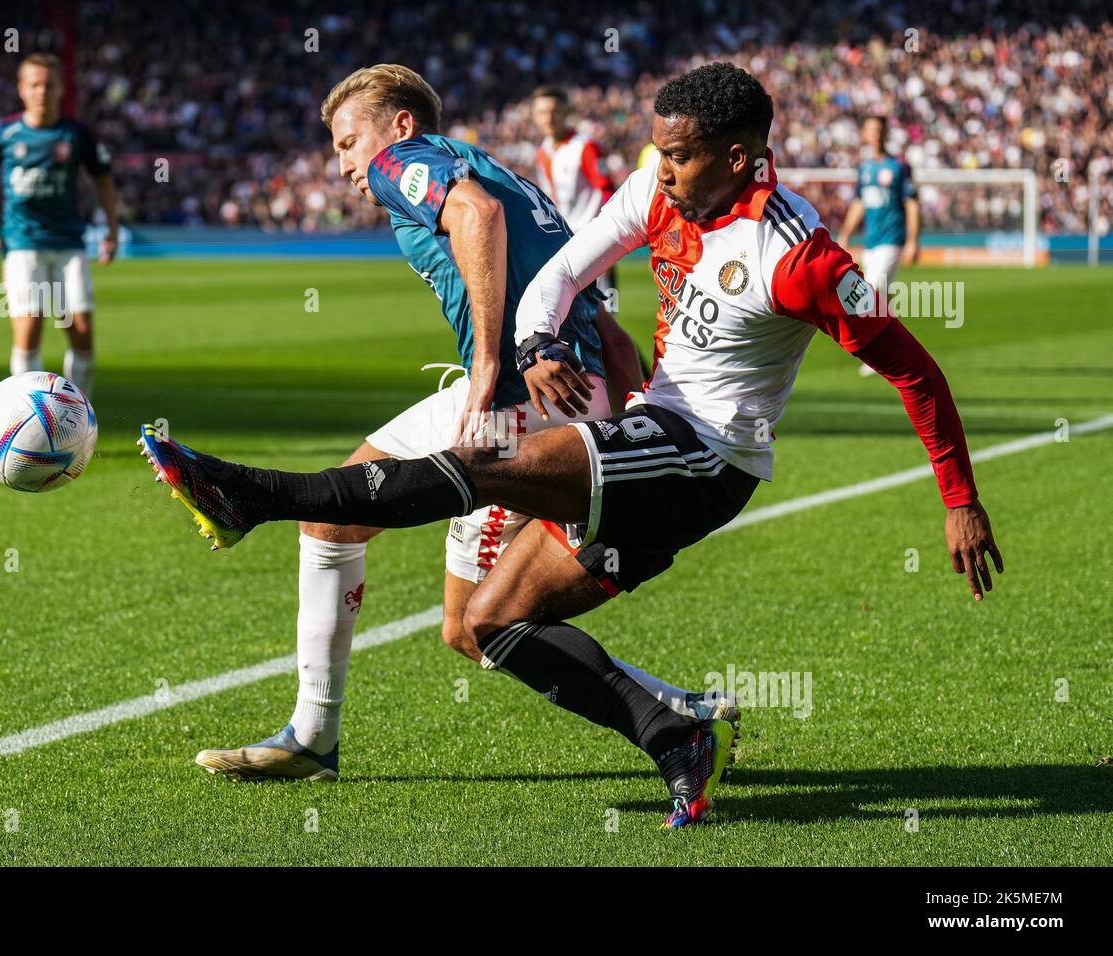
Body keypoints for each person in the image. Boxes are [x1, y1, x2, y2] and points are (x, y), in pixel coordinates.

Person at [137, 63, 1002, 829]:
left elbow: (918, 373)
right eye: (657, 151)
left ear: (738, 157)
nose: (661, 170)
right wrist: (539, 344)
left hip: (706, 456)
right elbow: (563, 276)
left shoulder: (801, 257)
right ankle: (680, 736)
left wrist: (960, 501)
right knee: (490, 626)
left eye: (682, 156)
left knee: (479, 468)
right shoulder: (657, 192)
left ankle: (255, 494)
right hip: (644, 430)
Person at [175, 64, 735, 787]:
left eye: (349, 141)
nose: (344, 164)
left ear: (401, 126)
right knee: (467, 626)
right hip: (571, 397)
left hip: (518, 405)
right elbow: (612, 335)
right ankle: (687, 710)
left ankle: (312, 730)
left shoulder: (405, 164)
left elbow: (474, 216)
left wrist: (486, 372)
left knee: (425, 586)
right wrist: (632, 431)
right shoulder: (517, 182)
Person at [0, 52, 118, 399]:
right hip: (23, 242)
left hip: (69, 242)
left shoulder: (76, 133)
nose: (42, 91)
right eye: (35, 84)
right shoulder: (4, 132)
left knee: (80, 329)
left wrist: (112, 229)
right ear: (22, 89)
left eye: (49, 85)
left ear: (60, 89)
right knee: (30, 324)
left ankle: (79, 416)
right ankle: (22, 409)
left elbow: (102, 179)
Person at [837, 115, 920, 376]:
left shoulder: (899, 166)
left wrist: (913, 240)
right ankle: (899, 350)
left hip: (892, 239)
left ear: (885, 133)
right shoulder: (864, 168)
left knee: (871, 293)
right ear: (864, 133)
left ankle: (876, 356)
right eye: (870, 129)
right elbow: (859, 203)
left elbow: (911, 204)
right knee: (880, 298)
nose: (875, 134)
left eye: (879, 129)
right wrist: (846, 234)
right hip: (870, 243)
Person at [531, 85, 617, 297]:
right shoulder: (543, 151)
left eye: (555, 111)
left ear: (566, 112)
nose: (549, 119)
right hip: (564, 243)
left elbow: (607, 190)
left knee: (602, 311)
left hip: (594, 241)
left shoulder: (585, 147)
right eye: (542, 113)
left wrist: (608, 239)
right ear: (534, 116)